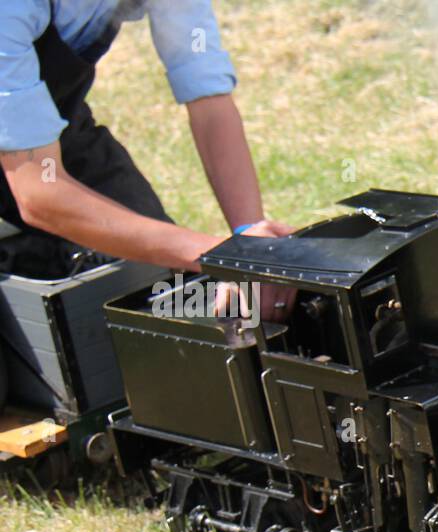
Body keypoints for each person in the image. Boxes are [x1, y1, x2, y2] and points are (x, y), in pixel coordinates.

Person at [0, 2, 293, 322]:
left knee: (159, 285)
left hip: (51, 128)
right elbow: (40, 194)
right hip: (32, 161)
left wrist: (249, 244)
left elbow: (209, 100)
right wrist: (217, 252)